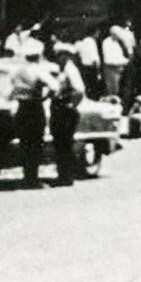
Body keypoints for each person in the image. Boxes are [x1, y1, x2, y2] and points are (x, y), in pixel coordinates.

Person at [8, 52, 51, 185]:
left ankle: (27, 176)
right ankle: (33, 177)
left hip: (22, 108)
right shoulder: (39, 70)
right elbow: (53, 86)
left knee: (25, 142)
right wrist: (45, 97)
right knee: (36, 142)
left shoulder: (17, 71)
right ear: (38, 57)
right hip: (35, 106)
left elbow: (11, 88)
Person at [49, 46, 88, 184]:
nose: (58, 58)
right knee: (60, 143)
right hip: (58, 108)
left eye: (61, 55)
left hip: (65, 108)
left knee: (64, 143)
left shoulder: (70, 70)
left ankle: (67, 176)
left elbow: (79, 90)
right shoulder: (61, 69)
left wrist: (71, 105)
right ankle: (63, 174)